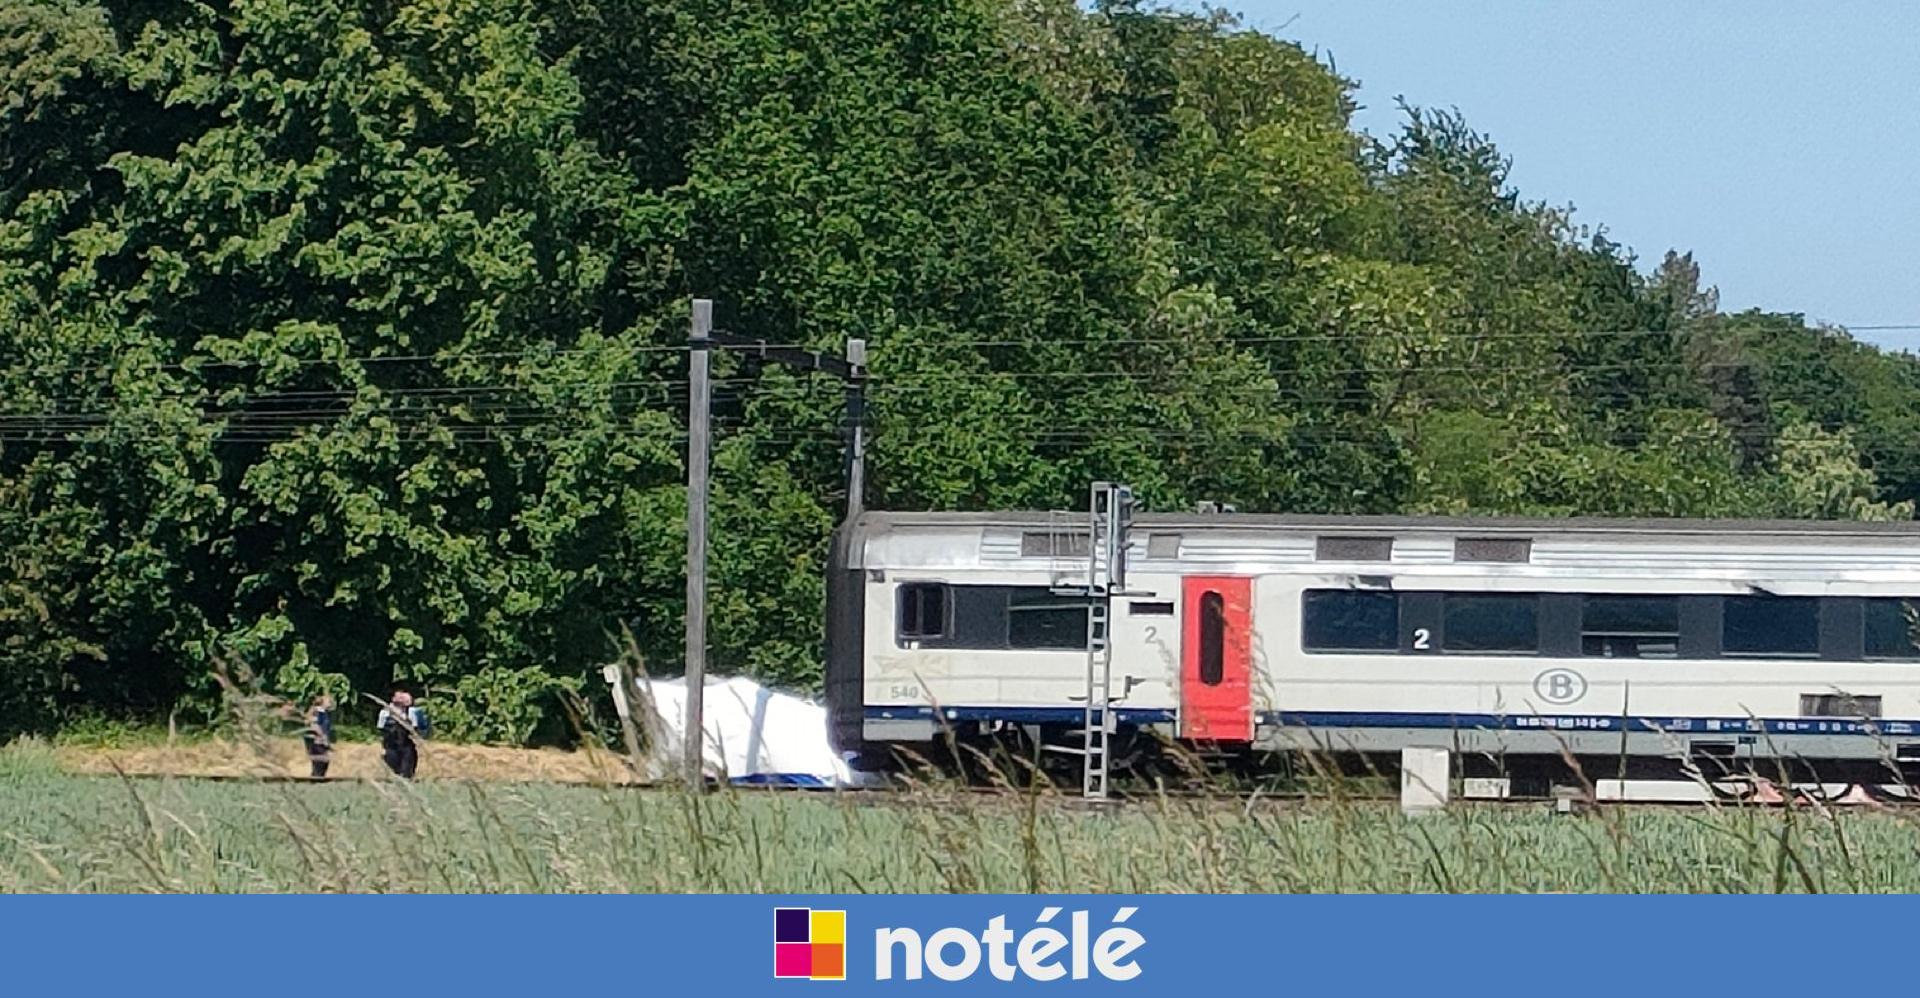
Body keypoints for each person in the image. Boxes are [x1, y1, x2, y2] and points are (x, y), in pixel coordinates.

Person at [377, 689, 429, 779]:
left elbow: (417, 728)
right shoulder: (385, 712)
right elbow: (381, 729)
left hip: (406, 746)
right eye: (400, 696)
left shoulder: (412, 712)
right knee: (395, 770)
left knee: (407, 771)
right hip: (391, 746)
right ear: (393, 698)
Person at [302, 694, 334, 779]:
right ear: (322, 703)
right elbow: (315, 725)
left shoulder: (323, 712)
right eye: (328, 701)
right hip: (317, 741)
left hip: (319, 740)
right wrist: (323, 738)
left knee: (321, 762)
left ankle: (317, 778)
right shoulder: (318, 712)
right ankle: (317, 779)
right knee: (320, 761)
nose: (330, 702)